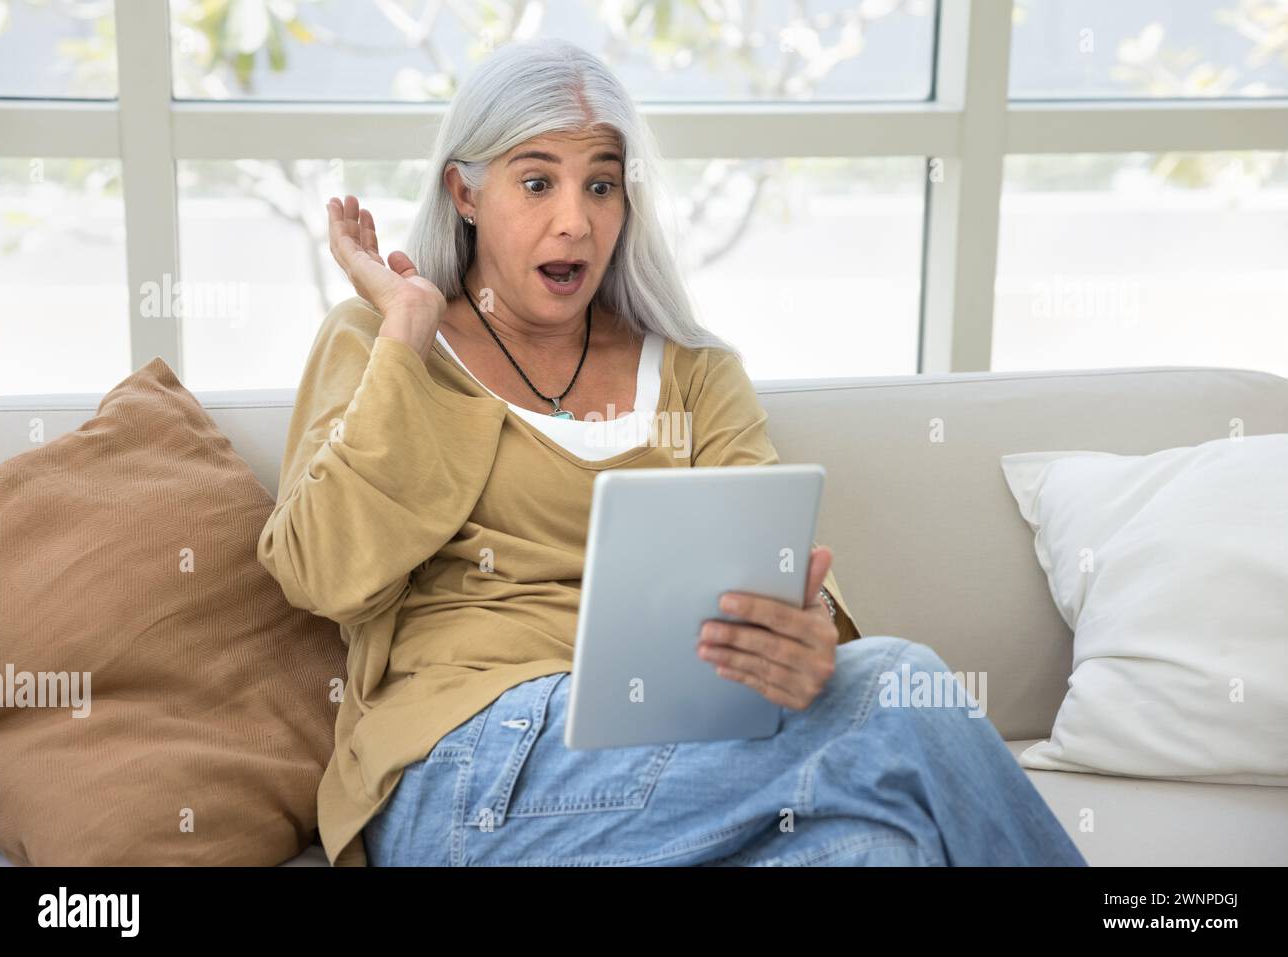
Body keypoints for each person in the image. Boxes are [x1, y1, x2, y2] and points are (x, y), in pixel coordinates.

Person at [257, 37, 1086, 868]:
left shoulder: (695, 371)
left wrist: (805, 631)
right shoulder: (380, 340)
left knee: (876, 849)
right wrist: (409, 329)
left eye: (602, 184)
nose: (575, 220)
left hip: (673, 757)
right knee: (902, 690)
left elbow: (777, 551)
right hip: (467, 766)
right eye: (537, 180)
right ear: (464, 192)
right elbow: (320, 574)